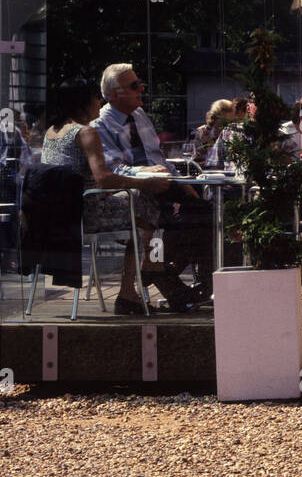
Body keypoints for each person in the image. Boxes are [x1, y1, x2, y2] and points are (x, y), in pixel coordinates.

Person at [42, 79, 192, 314]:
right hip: (86, 212)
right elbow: (104, 178)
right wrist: (147, 182)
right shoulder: (86, 132)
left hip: (59, 214)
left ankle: (149, 269)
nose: (99, 102)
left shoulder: (52, 132)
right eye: (95, 98)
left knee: (140, 213)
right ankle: (139, 279)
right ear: (83, 103)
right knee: (148, 199)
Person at [92, 63, 215, 305]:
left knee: (208, 215)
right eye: (135, 85)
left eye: (140, 84)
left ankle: (159, 268)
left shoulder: (140, 115)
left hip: (163, 182)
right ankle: (160, 272)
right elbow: (112, 169)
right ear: (116, 94)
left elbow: (156, 155)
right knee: (185, 222)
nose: (142, 89)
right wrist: (144, 173)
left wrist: (182, 182)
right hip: (134, 189)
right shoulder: (100, 125)